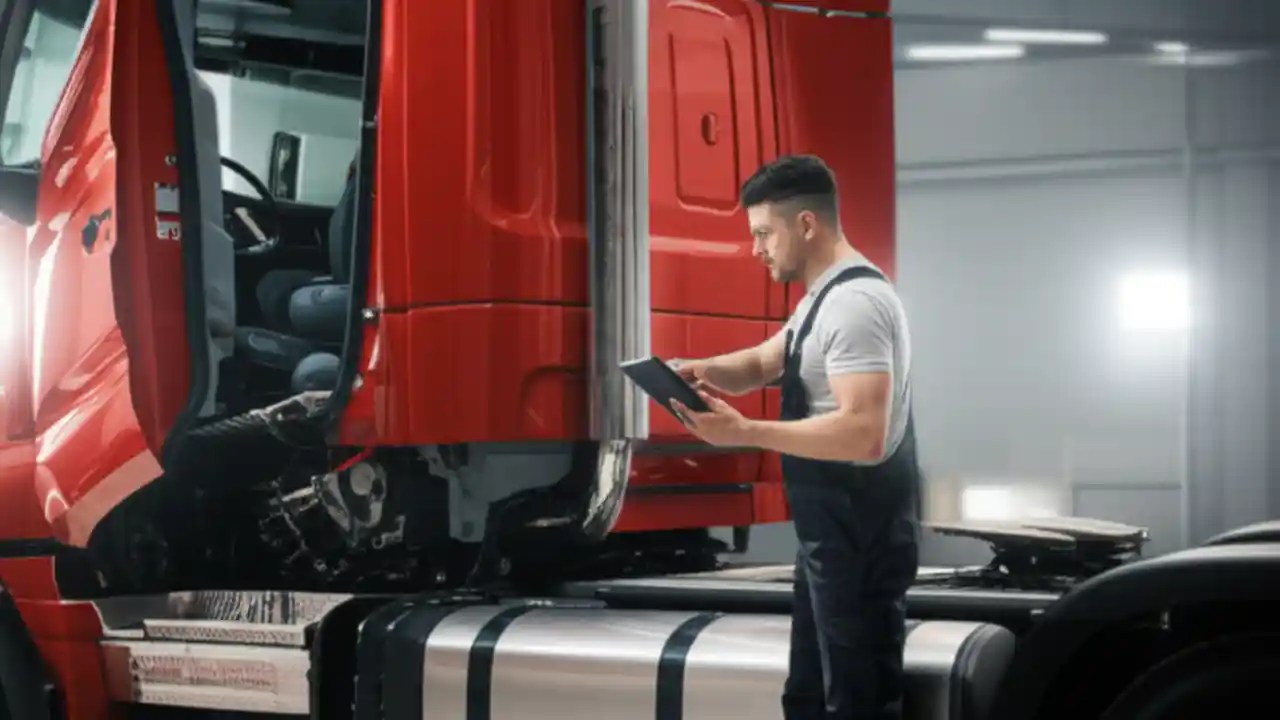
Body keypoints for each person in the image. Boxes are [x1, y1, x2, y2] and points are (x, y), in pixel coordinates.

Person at [669, 154, 921, 720]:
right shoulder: (821, 299)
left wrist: (744, 432)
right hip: (830, 539)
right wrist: (698, 370)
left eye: (764, 233)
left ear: (806, 224)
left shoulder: (856, 305)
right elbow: (766, 361)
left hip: (859, 537)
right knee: (808, 698)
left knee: (855, 704)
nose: (755, 249)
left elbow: (863, 434)